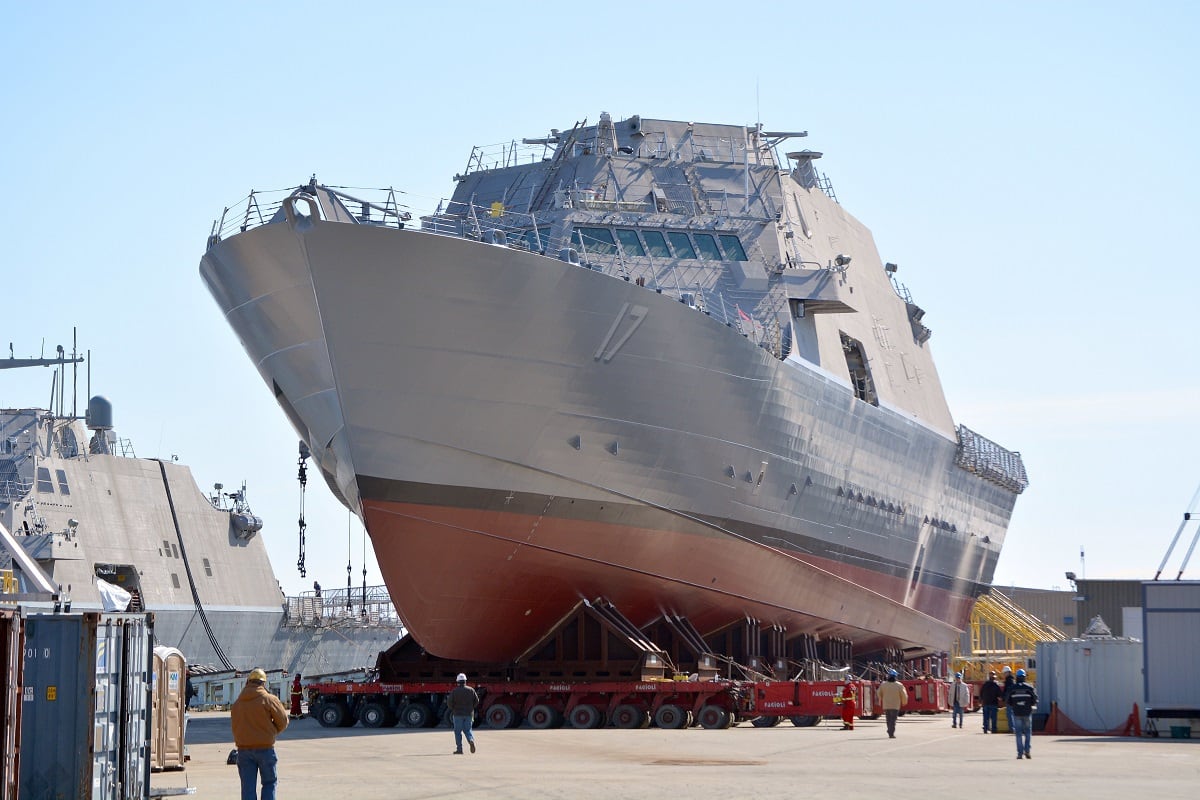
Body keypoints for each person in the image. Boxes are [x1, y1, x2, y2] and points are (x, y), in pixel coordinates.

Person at [231, 668, 290, 800]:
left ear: (248, 682)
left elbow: (235, 726)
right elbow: (283, 721)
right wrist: (271, 732)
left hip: (243, 751)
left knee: (247, 787)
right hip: (265, 749)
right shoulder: (269, 699)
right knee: (269, 783)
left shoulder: (237, 704)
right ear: (263, 683)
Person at [1006, 668, 1038, 759]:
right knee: (1027, 732)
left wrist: (1014, 705)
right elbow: (1035, 700)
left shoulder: (1012, 688)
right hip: (1027, 713)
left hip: (1017, 713)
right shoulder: (1029, 688)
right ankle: (1027, 751)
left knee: (1018, 733)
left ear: (1017, 677)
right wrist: (1028, 705)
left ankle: (1020, 753)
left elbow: (1008, 700)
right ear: (1024, 677)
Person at [447, 672, 478, 754]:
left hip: (457, 714)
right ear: (465, 681)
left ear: (457, 682)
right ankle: (471, 740)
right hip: (469, 714)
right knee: (468, 730)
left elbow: (449, 702)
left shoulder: (454, 691)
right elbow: (477, 701)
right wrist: (471, 708)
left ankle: (459, 749)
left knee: (458, 732)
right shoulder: (471, 690)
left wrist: (453, 709)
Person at [877, 669, 908, 739]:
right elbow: (904, 695)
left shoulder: (883, 685)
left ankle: (889, 730)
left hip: (886, 705)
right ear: (895, 676)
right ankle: (891, 733)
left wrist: (881, 698)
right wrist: (904, 702)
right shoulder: (899, 685)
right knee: (893, 720)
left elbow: (878, 693)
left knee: (888, 719)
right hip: (895, 705)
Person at [1001, 666, 1016, 733]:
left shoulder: (1009, 681)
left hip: (1010, 701)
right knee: (1013, 714)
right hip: (1012, 700)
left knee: (1010, 714)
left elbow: (1007, 691)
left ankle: (1012, 728)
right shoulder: (1011, 680)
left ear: (1008, 672)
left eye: (1005, 673)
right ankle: (1013, 728)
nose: (1004, 674)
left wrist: (1004, 698)